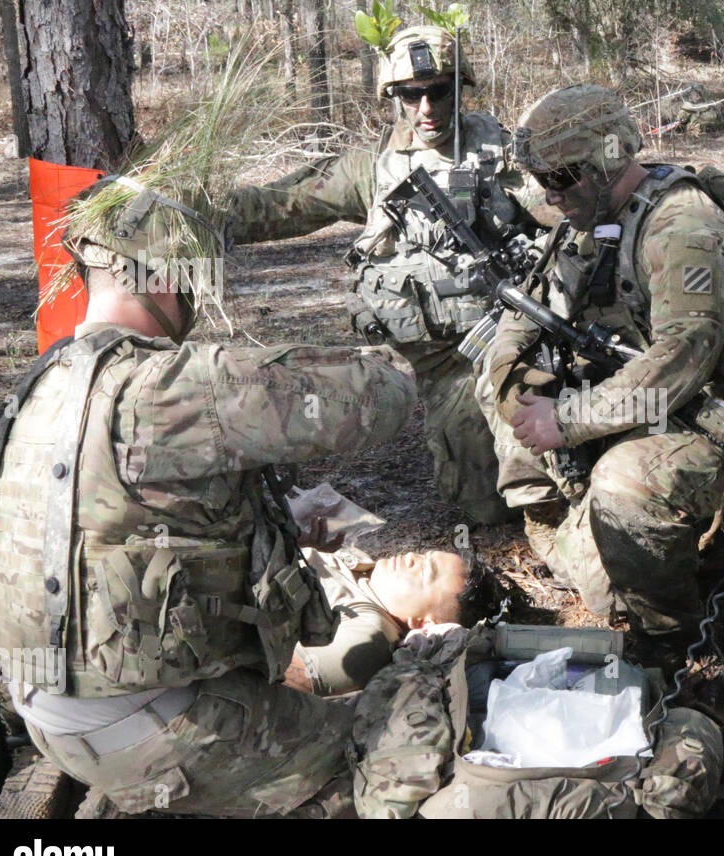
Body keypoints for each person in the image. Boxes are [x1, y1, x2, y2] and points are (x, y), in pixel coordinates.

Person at [0, 177, 417, 818]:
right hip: (147, 726)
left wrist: (270, 527)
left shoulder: (42, 381)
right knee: (381, 754)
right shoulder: (176, 383)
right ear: (166, 277)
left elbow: (99, 530)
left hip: (51, 713)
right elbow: (385, 396)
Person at [486, 84, 724, 657]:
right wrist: (513, 375)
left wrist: (566, 421)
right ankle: (571, 539)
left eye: (562, 178)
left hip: (715, 427)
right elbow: (530, 309)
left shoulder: (684, 229)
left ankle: (673, 636)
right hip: (632, 406)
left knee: (621, 491)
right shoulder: (587, 219)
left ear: (606, 161)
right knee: (506, 396)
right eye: (543, 181)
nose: (550, 195)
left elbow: (677, 367)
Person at [225, 25, 542, 526]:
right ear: (393, 97)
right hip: (443, 363)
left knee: (536, 459)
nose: (426, 108)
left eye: (438, 91)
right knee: (481, 501)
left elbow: (570, 211)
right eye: (411, 95)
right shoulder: (373, 168)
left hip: (511, 339)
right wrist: (193, 211)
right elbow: (282, 204)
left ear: (460, 87)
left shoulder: (503, 154)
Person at [287, 549, 499, 697]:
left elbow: (275, 677)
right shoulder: (367, 570)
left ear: (424, 623)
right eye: (423, 556)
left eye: (425, 572)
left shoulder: (366, 637)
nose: (410, 558)